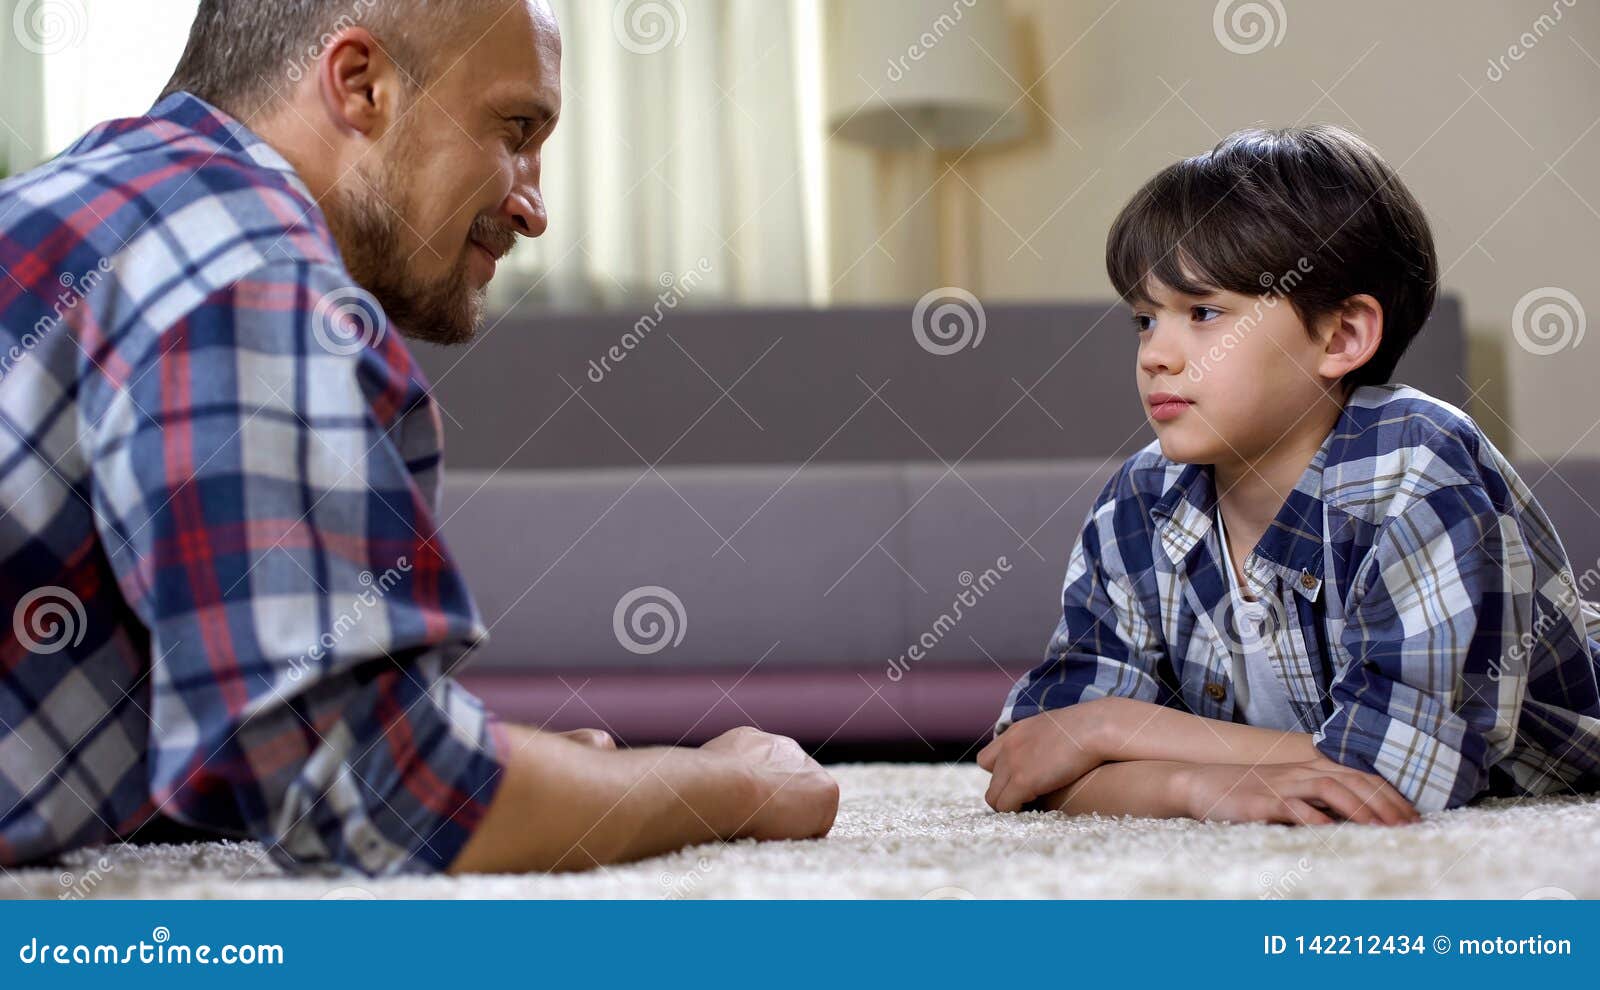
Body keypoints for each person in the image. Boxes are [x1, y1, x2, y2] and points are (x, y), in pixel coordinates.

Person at [0, 0, 837, 877]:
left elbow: (238, 747)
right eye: (516, 128)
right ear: (362, 85)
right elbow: (387, 796)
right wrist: (730, 784)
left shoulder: (96, 211)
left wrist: (538, 780)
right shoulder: (242, 276)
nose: (534, 207)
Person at [979, 124, 1600, 825]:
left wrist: (1113, 729)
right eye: (1145, 321)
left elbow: (1395, 775)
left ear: (1341, 337)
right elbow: (1032, 761)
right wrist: (1196, 788)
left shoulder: (1418, 467)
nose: (1155, 354)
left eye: (1204, 312)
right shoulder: (1139, 500)